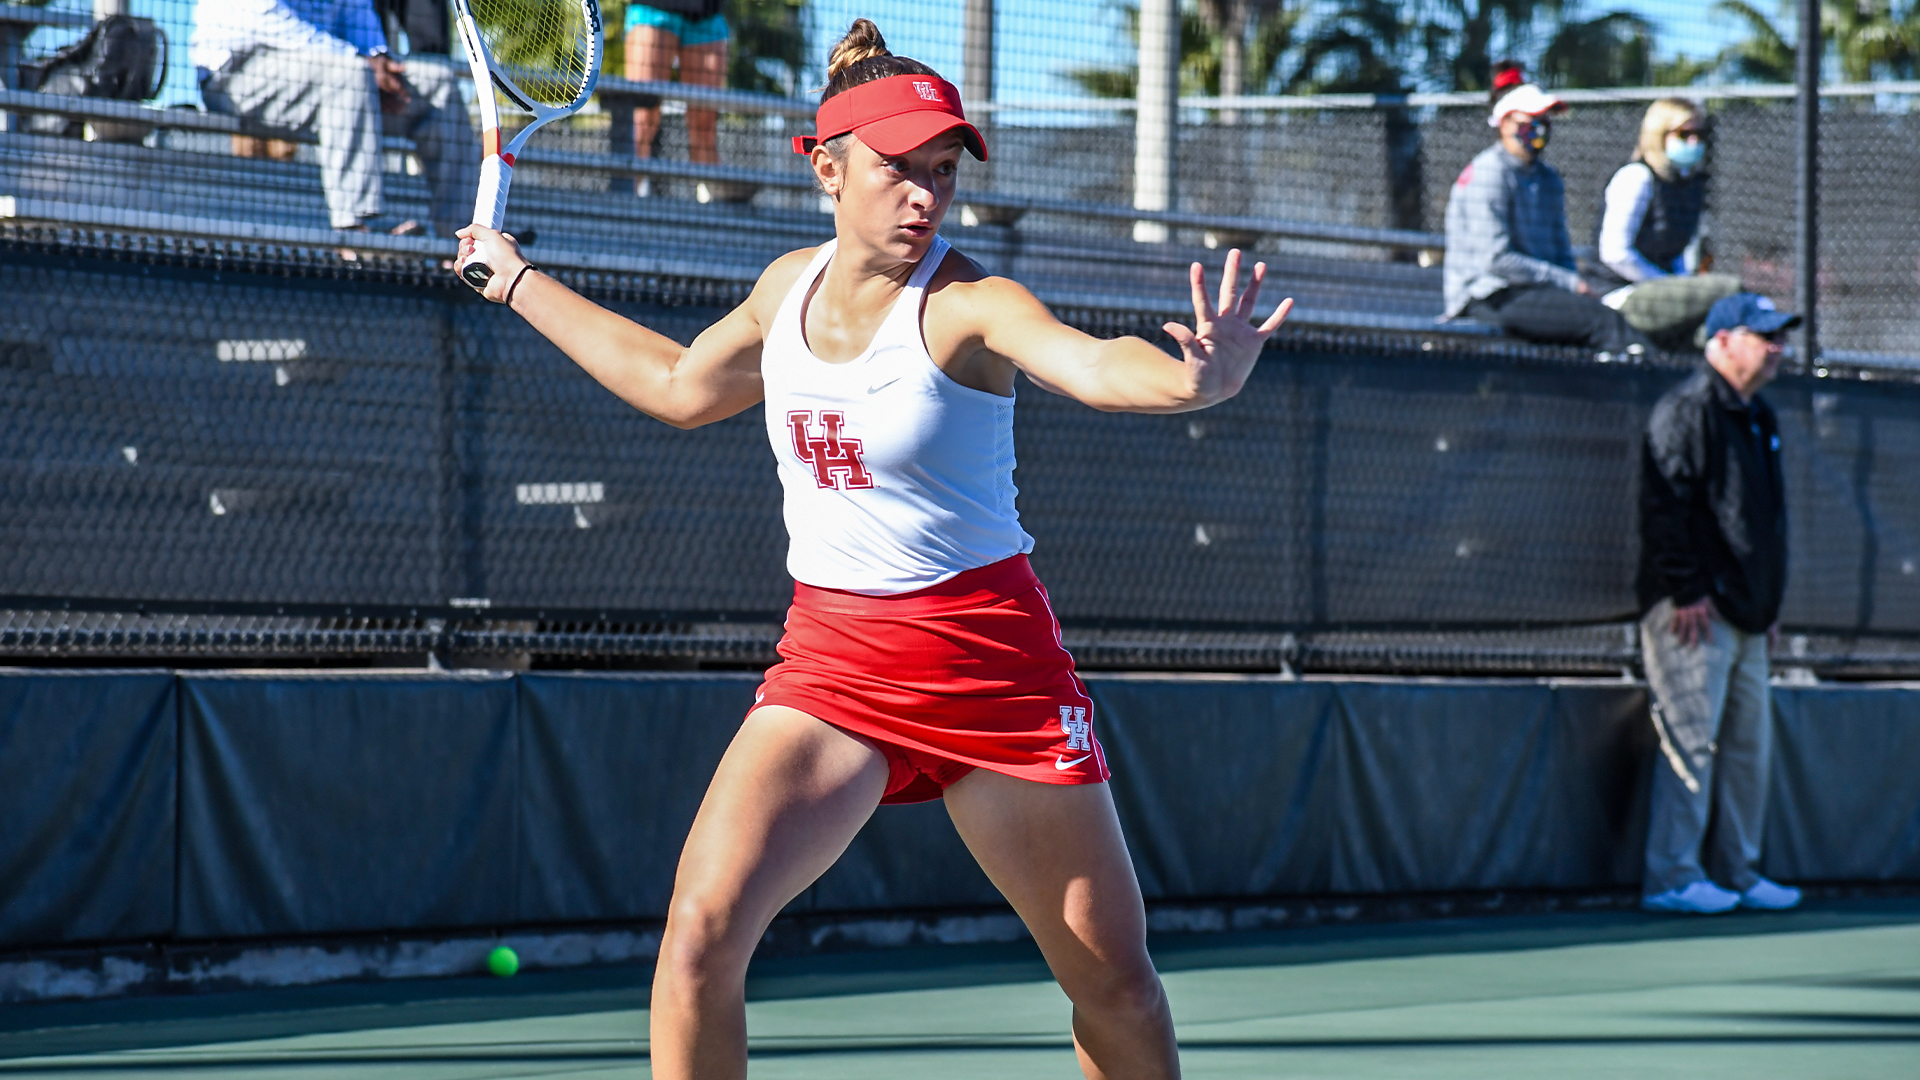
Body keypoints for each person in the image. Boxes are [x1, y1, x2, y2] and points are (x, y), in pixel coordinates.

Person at [457, 18, 1291, 1077]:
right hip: (834, 672)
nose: (925, 197)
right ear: (826, 168)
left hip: (994, 674)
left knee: (1115, 988)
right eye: (902, 172)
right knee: (700, 936)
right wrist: (520, 280)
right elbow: (675, 387)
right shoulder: (781, 292)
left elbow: (1089, 364)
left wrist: (1191, 382)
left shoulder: (973, 305)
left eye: (942, 174)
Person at [1637, 293, 1803, 915]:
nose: (1776, 348)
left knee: (1746, 749)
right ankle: (1673, 877)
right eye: (1765, 336)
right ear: (1723, 340)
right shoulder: (1686, 410)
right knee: (1691, 741)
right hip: (1693, 614)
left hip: (1750, 617)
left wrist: (1768, 603)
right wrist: (1685, 588)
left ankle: (1738, 871)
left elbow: (1766, 523)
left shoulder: (1761, 417)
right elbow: (1663, 507)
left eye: (1780, 337)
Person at [190, 0, 478, 238]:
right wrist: (360, 61)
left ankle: (464, 236)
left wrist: (378, 57)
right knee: (350, 75)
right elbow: (271, 21)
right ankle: (355, 231)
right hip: (237, 72)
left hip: (328, 67)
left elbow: (356, 11)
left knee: (438, 84)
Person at [1443, 66, 1652, 355]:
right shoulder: (1488, 172)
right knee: (1602, 323)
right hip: (1490, 296)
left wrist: (1573, 286)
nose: (1540, 129)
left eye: (1546, 121)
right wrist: (1570, 283)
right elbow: (1496, 259)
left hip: (1538, 294)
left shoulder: (1549, 179)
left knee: (1605, 317)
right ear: (1504, 123)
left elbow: (1561, 254)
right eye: (1530, 120)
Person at [1584, 98, 1742, 350]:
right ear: (1658, 134)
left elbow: (1677, 254)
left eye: (1700, 134)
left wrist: (1679, 283)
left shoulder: (1687, 186)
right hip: (1619, 295)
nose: (1694, 141)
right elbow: (1615, 253)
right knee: (1730, 289)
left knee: (1713, 334)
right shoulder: (1636, 177)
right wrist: (1666, 284)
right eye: (1684, 133)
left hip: (1663, 291)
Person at [624, 0, 728, 194]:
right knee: (641, 120)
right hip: (653, 8)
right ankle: (622, 211)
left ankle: (711, 217)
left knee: (704, 126)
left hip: (706, 13)